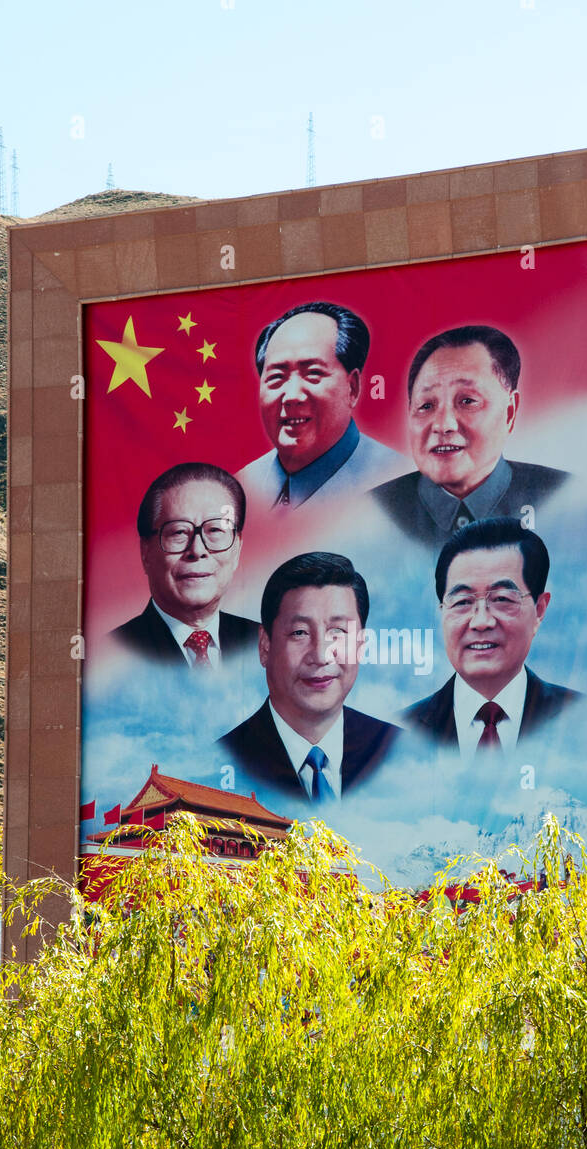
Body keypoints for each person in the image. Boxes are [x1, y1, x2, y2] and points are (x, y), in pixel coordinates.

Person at [217, 552, 400, 801]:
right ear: (265, 646)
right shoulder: (224, 758)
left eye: (337, 631)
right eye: (300, 632)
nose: (321, 655)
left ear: (360, 644)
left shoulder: (395, 749)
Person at [371, 325, 568, 547]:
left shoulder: (566, 500)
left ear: (510, 411)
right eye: (426, 405)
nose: (443, 425)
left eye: (467, 401)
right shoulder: (372, 514)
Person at [402, 517, 580, 751]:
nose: (481, 621)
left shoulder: (582, 718)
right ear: (442, 611)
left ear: (539, 610)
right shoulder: (400, 731)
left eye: (502, 599)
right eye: (463, 601)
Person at [236, 302, 408, 512]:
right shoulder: (238, 489)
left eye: (313, 374)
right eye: (277, 377)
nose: (292, 396)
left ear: (352, 388)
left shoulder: (404, 485)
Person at [108, 463, 257, 669]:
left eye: (214, 530)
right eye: (178, 532)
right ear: (146, 552)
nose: (197, 550)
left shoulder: (267, 645)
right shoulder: (112, 654)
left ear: (237, 549)